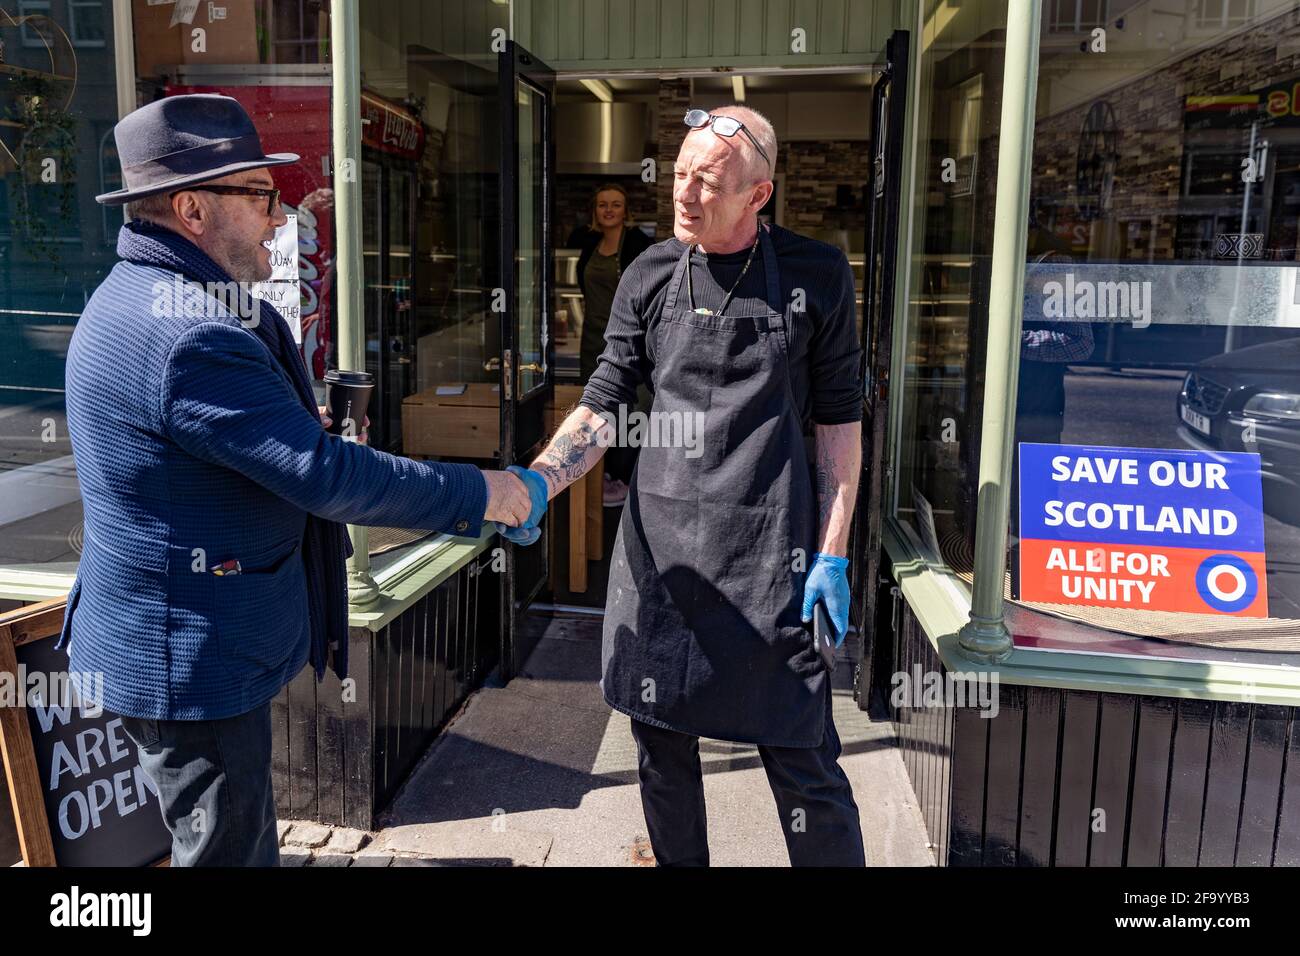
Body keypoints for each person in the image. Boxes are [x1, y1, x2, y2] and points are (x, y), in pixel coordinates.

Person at [58, 94, 547, 866]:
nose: (281, 216)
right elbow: (325, 477)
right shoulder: (189, 333)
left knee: (235, 838)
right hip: (191, 660)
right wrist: (482, 491)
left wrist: (284, 428)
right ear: (191, 209)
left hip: (183, 640)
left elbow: (214, 445)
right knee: (230, 852)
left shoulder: (147, 293)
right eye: (261, 195)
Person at [518, 105, 867, 865]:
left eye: (706, 182)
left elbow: (839, 422)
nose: (682, 193)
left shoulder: (816, 274)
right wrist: (541, 481)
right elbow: (604, 399)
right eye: (678, 174)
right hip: (663, 555)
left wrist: (833, 551)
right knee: (661, 751)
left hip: (770, 552)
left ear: (758, 195)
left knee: (803, 757)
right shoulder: (649, 273)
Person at [570, 183, 652, 506]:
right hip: (592, 337)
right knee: (595, 405)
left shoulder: (638, 244)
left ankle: (622, 477)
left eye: (616, 204)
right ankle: (598, 475)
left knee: (628, 408)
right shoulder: (590, 242)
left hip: (626, 339)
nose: (608, 210)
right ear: (595, 211)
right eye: (602, 204)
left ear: (625, 210)